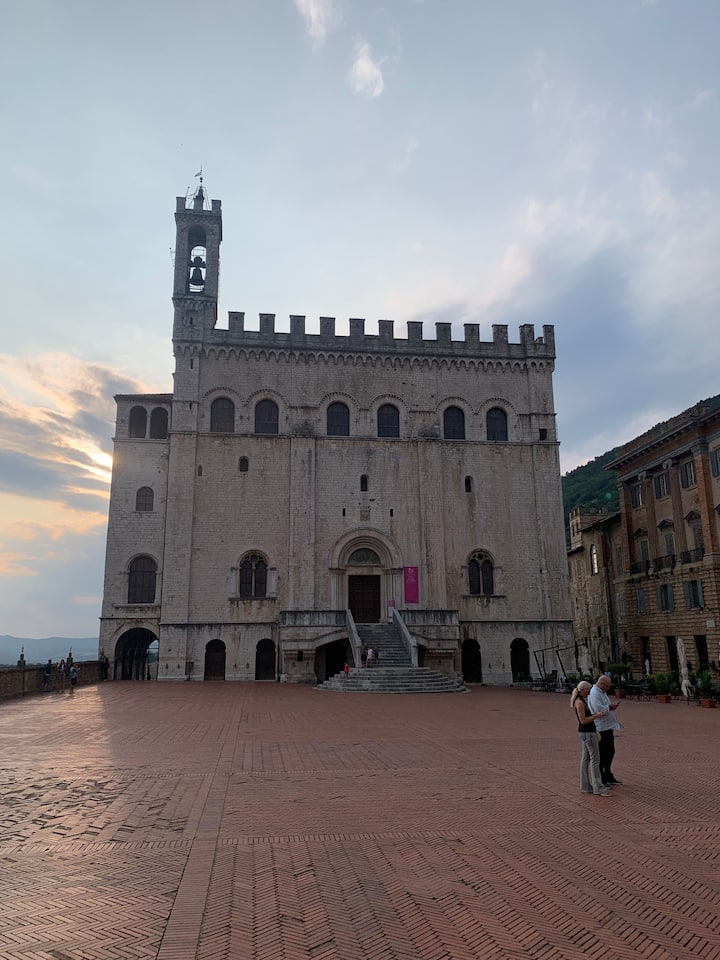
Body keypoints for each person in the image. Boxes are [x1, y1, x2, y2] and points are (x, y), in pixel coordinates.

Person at [571, 681, 609, 796]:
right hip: (587, 732)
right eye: (587, 690)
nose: (589, 692)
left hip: (586, 732)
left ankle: (586, 786)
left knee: (586, 758)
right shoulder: (580, 703)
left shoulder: (580, 701)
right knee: (595, 759)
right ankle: (598, 787)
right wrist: (597, 715)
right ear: (582, 690)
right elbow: (583, 720)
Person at [588, 674, 623, 785]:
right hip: (601, 728)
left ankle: (608, 774)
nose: (608, 689)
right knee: (603, 753)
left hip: (608, 727)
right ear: (601, 683)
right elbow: (597, 709)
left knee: (610, 752)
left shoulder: (601, 692)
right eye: (607, 686)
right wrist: (609, 707)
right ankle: (602, 776)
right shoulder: (594, 693)